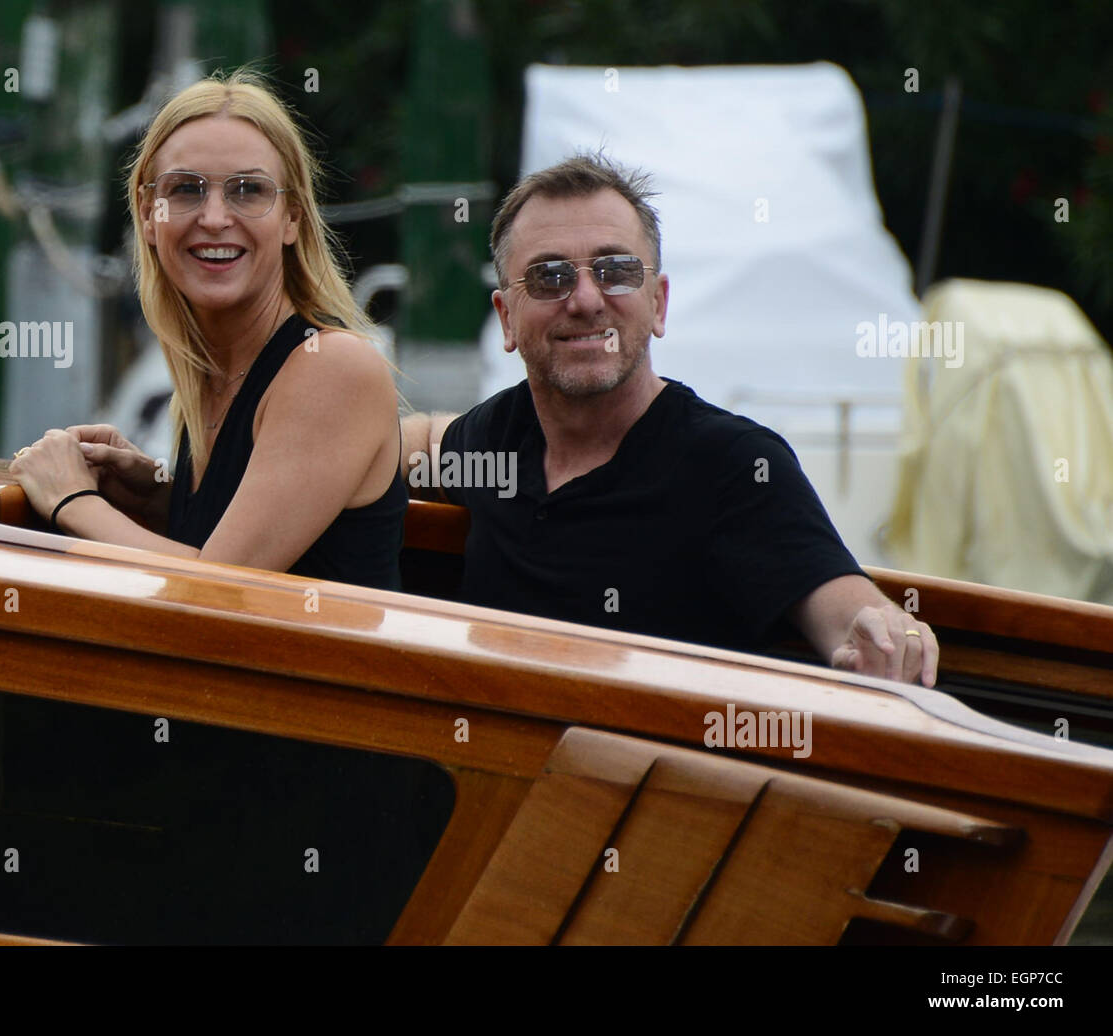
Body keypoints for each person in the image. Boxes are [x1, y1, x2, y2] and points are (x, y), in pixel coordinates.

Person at [402, 153, 940, 685]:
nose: (586, 300)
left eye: (616, 271)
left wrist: (886, 634)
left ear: (658, 304)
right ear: (506, 317)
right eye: (549, 277)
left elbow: (846, 609)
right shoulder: (500, 438)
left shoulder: (734, 465)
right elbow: (414, 440)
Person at [10, 70, 406, 590]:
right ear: (148, 218)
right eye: (185, 190)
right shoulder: (211, 371)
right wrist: (161, 494)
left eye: (248, 190)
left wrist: (71, 500)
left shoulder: (331, 367)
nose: (215, 217)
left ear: (292, 219)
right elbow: (231, 541)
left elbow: (216, 589)